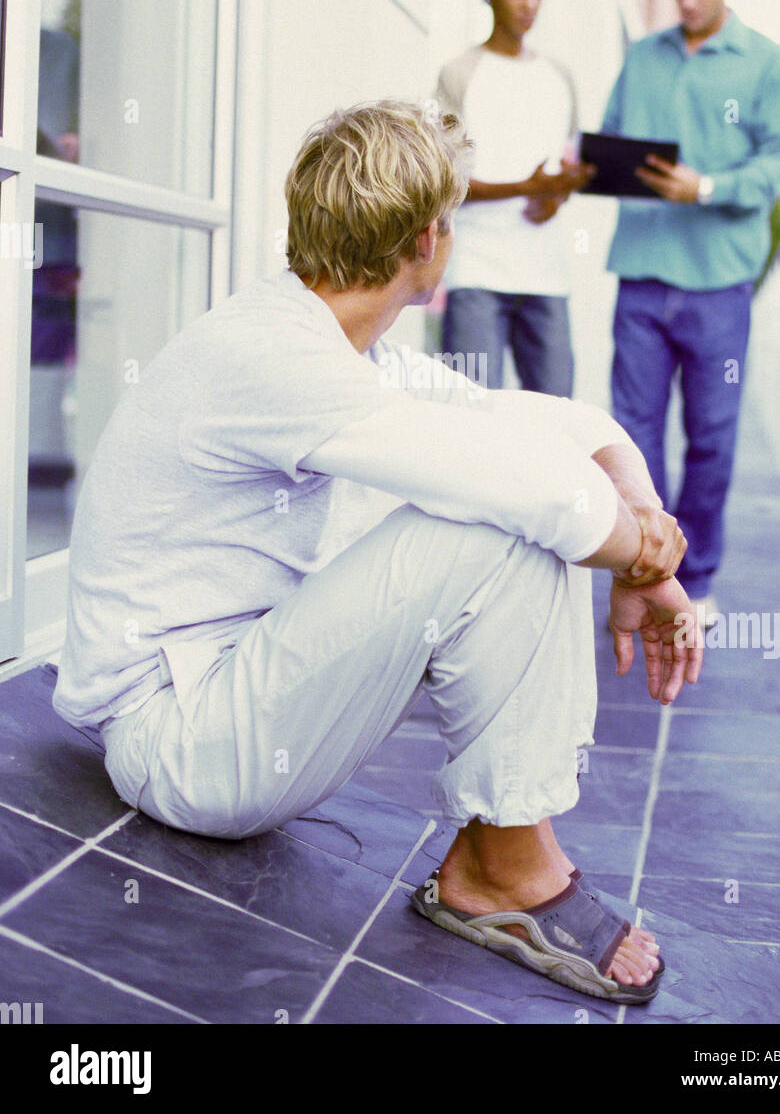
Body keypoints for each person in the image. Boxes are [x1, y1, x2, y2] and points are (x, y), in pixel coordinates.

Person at [53, 101, 701, 1004]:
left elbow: (545, 425)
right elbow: (535, 488)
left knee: (510, 494)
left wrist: (642, 523)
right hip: (181, 743)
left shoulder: (334, 345)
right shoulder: (274, 357)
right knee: (492, 516)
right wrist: (643, 558)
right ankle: (507, 871)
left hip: (231, 696)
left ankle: (497, 857)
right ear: (431, 240)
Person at [601, 0, 780, 623]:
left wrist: (708, 187)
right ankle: (639, 566)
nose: (686, 1)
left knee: (713, 437)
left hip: (719, 283)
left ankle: (701, 576)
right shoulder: (643, 56)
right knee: (632, 434)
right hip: (641, 274)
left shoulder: (766, 62)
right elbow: (612, 146)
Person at [434, 0, 594, 397]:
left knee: (559, 416)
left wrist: (557, 195)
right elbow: (444, 181)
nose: (529, 4)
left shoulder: (558, 76)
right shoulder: (460, 74)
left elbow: (565, 167)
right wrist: (528, 188)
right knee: (471, 415)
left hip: (547, 274)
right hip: (475, 271)